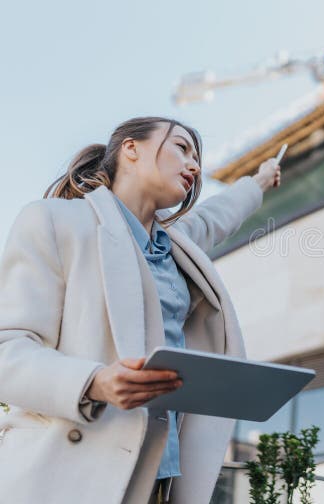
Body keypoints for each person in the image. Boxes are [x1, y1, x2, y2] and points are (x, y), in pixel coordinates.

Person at [0, 117, 282, 503]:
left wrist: (261, 179)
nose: (195, 166)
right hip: (67, 473)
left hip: (159, 476)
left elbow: (222, 213)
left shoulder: (176, 244)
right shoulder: (53, 221)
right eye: (182, 148)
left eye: (196, 157)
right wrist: (94, 383)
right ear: (130, 149)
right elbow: (7, 350)